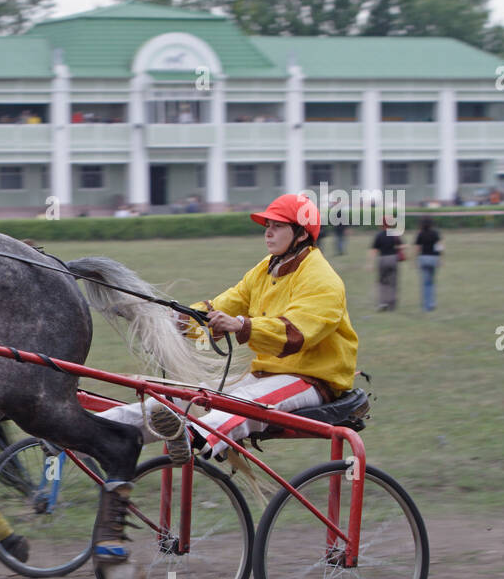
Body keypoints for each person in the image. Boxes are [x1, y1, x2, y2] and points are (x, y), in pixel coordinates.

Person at [98, 193, 358, 468]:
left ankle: (190, 436)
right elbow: (222, 305)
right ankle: (97, 430)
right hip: (267, 374)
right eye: (267, 225)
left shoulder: (322, 278)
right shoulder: (265, 269)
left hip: (311, 379)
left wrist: (241, 325)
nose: (268, 233)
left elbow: (296, 335)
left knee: (245, 402)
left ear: (302, 234)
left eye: (277, 226)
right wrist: (169, 319)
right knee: (181, 397)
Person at [370, 217, 403, 310]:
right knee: (393, 283)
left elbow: (374, 250)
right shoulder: (395, 235)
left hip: (383, 259)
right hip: (393, 259)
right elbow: (401, 246)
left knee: (383, 282)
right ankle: (392, 304)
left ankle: (382, 303)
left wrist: (371, 264)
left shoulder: (379, 235)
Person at [414, 217, 442, 312]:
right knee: (431, 282)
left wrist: (416, 260)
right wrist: (439, 258)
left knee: (425, 283)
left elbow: (417, 248)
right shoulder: (435, 233)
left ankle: (426, 306)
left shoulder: (420, 234)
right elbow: (439, 247)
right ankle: (432, 303)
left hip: (423, 258)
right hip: (433, 258)